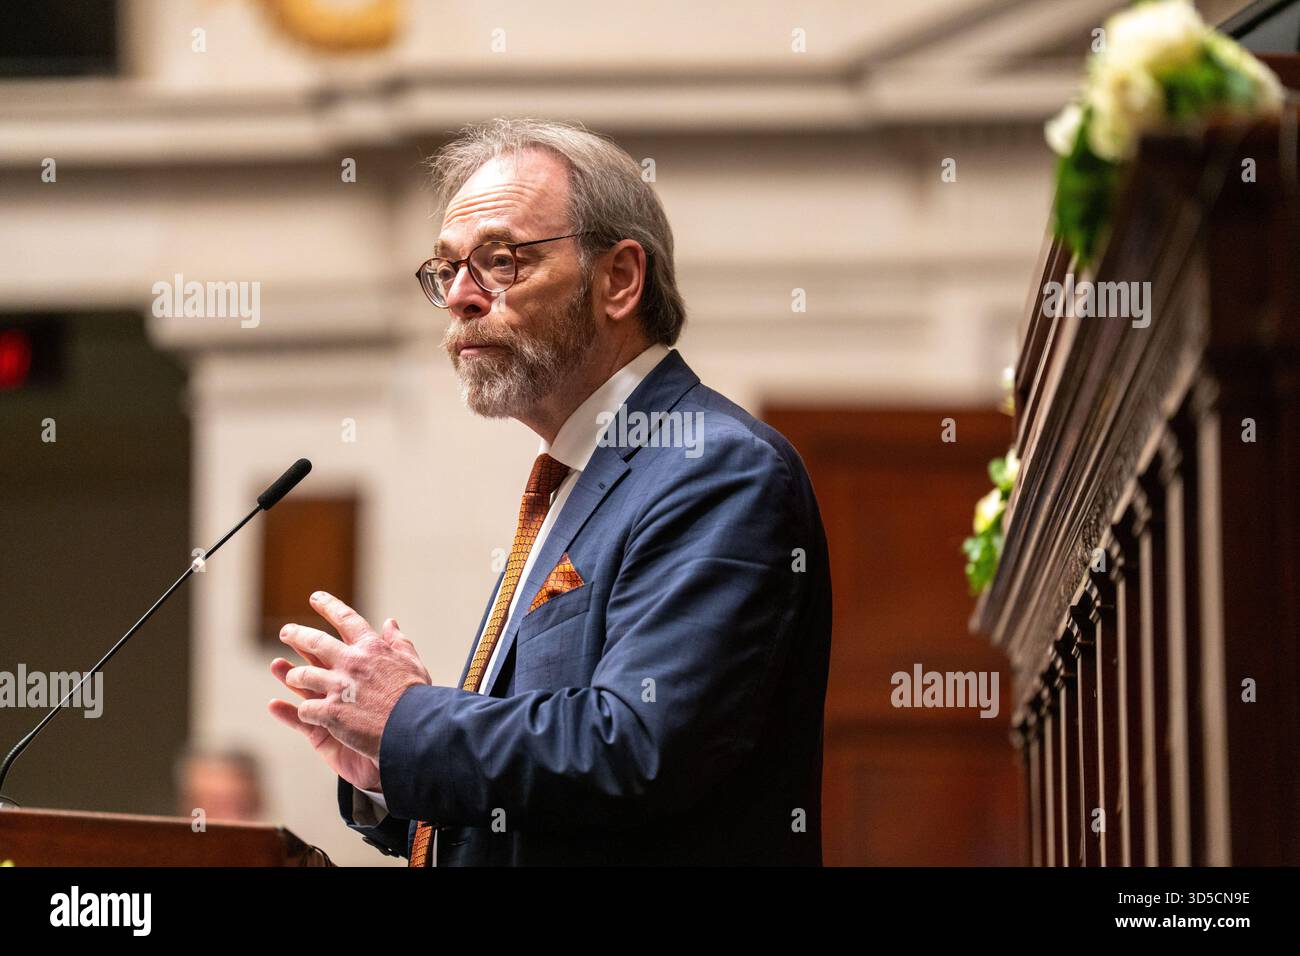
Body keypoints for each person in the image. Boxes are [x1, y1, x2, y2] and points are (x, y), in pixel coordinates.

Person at [268, 118, 832, 865]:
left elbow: (635, 750)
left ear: (620, 279)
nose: (462, 297)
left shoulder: (716, 468)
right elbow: (546, 808)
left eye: (500, 261)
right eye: (446, 270)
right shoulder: (578, 477)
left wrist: (409, 718)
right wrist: (391, 770)